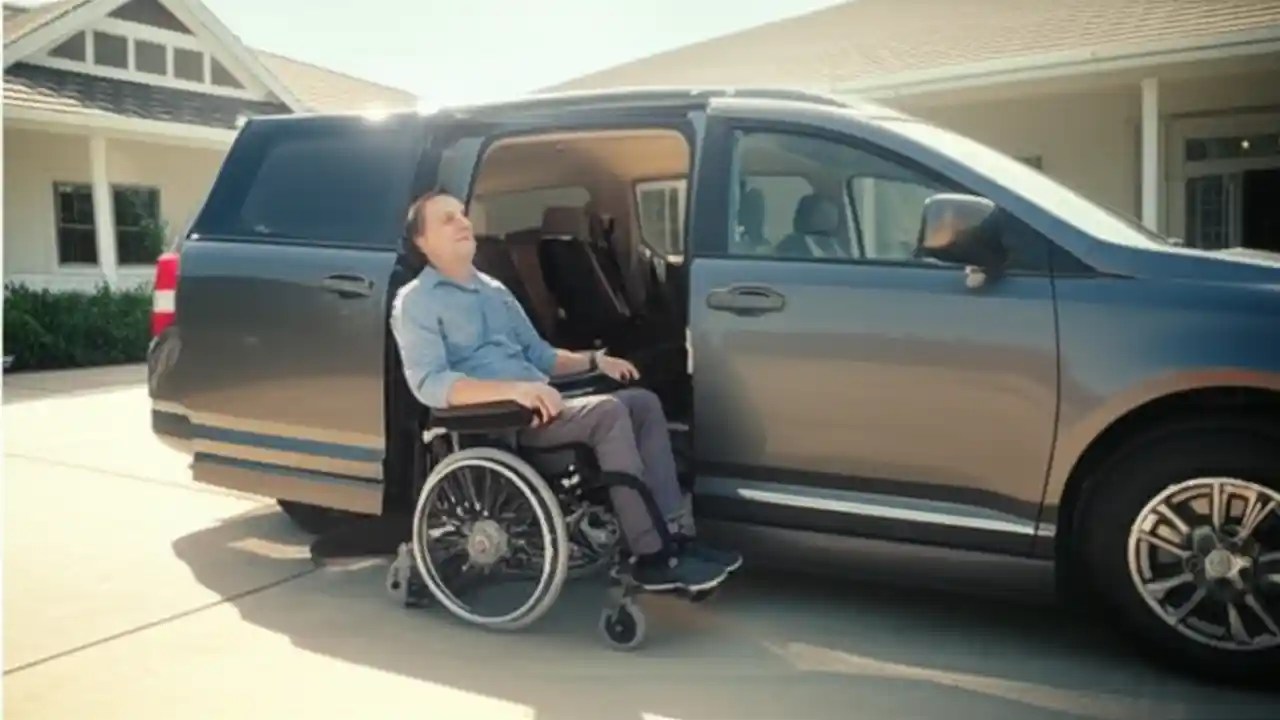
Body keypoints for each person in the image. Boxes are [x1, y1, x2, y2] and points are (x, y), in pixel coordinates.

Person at [390, 191, 741, 592]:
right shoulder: (415, 302)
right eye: (448, 219)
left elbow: (540, 354)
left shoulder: (493, 289)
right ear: (422, 241)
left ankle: (676, 534)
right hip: (502, 423)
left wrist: (594, 361)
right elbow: (429, 383)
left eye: (463, 215)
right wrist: (515, 392)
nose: (463, 223)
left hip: (541, 403)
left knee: (642, 401)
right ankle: (650, 554)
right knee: (608, 412)